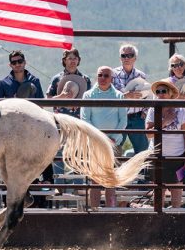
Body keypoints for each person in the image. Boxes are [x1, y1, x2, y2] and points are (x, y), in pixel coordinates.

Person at [79, 67, 128, 208]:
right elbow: (85, 119)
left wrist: (112, 138)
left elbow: (123, 120)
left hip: (114, 143)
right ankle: (94, 211)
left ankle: (110, 211)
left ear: (111, 78)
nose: (102, 78)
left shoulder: (119, 96)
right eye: (100, 75)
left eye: (106, 75)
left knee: (110, 180)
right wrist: (101, 138)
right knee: (95, 180)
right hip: (95, 143)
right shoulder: (88, 95)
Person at [147, 78, 185, 209]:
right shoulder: (153, 110)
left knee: (177, 189)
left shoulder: (181, 110)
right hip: (157, 155)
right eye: (158, 91)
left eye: (164, 91)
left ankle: (176, 216)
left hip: (177, 156)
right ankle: (158, 216)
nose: (160, 94)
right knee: (158, 189)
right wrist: (165, 122)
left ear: (171, 93)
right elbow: (148, 134)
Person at [112, 44, 150, 157]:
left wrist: (145, 111)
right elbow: (110, 94)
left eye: (130, 55)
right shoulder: (113, 74)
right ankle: (114, 169)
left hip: (137, 117)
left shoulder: (141, 75)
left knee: (142, 151)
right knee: (114, 149)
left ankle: (143, 170)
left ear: (135, 58)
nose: (127, 58)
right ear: (120, 58)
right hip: (118, 117)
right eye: (124, 55)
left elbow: (147, 94)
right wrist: (125, 95)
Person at [48, 49, 92, 114]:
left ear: (78, 60)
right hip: (60, 117)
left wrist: (79, 103)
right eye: (70, 58)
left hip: (80, 118)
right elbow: (48, 100)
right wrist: (60, 97)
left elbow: (90, 100)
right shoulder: (56, 79)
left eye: (75, 58)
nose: (73, 61)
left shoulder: (86, 79)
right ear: (64, 60)